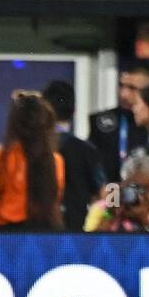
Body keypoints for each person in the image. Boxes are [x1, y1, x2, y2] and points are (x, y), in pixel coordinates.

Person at [0, 92, 65, 232]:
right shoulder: (57, 162)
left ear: (14, 124)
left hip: (10, 240)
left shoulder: (1, 159)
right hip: (47, 239)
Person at [43, 80, 106, 232]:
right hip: (77, 232)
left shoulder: (32, 149)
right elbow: (106, 193)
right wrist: (107, 222)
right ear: (75, 111)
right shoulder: (87, 150)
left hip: (40, 234)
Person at [88, 59, 149, 184]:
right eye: (121, 86)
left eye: (132, 88)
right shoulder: (102, 123)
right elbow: (92, 168)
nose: (123, 94)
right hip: (112, 191)